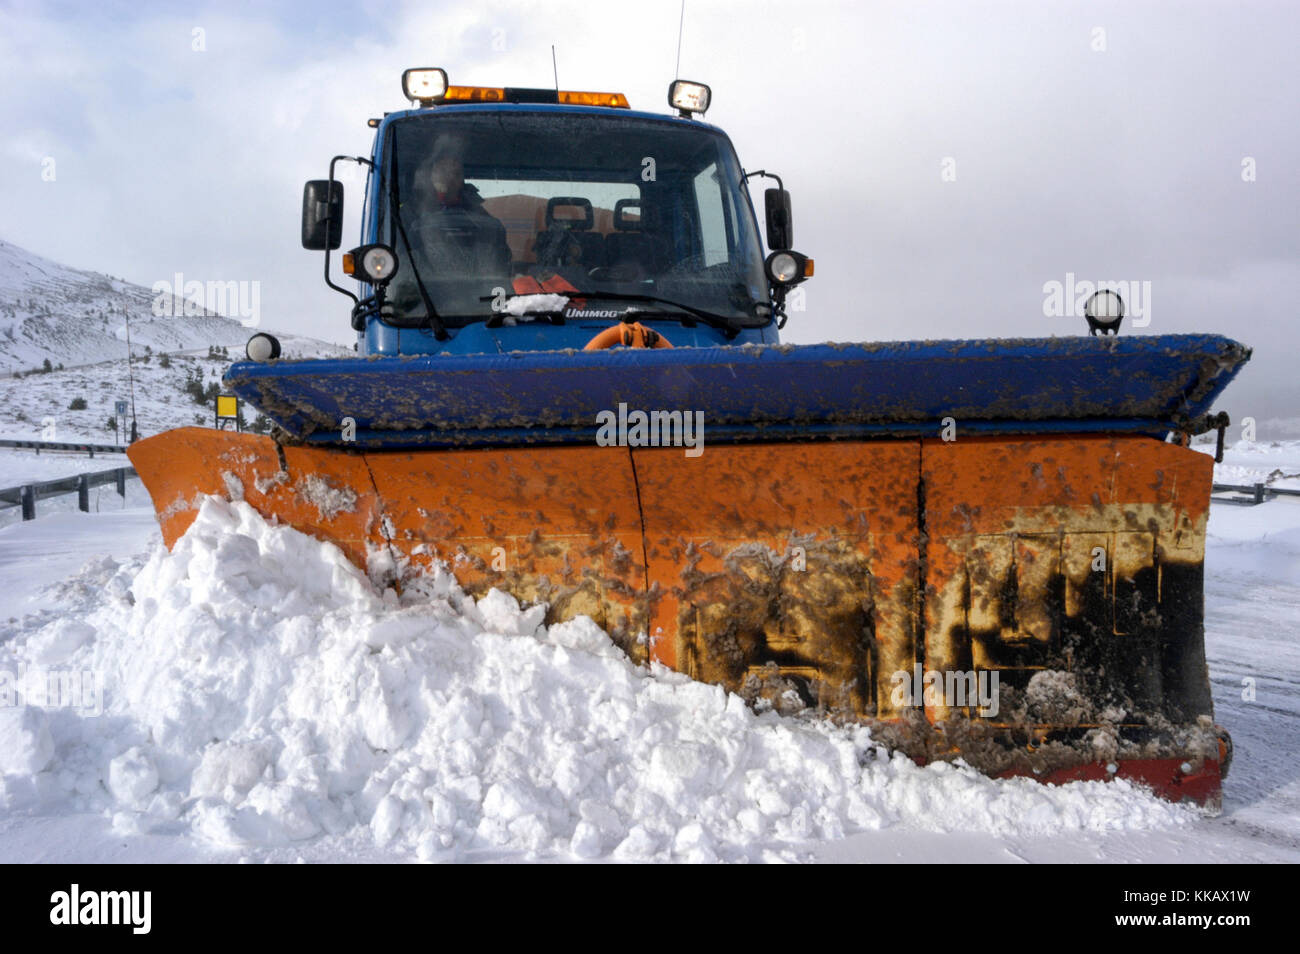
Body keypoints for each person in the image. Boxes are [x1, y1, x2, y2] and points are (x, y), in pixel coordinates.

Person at [391, 154, 512, 319]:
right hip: (425, 308)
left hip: (480, 306)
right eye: (443, 171)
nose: (450, 177)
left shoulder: (480, 216)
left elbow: (499, 258)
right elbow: (401, 259)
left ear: (462, 178)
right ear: (431, 174)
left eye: (456, 173)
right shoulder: (408, 214)